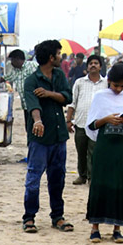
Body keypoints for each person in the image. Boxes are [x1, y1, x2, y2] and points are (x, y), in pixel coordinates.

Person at [21, 39, 72, 233]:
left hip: (59, 136)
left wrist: (49, 94)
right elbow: (33, 104)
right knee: (34, 178)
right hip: (40, 138)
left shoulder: (59, 75)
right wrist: (38, 121)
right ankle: (29, 217)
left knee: (58, 178)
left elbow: (67, 97)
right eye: (59, 54)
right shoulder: (31, 80)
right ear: (51, 57)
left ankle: (57, 217)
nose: (61, 57)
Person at [84, 62, 123, 244]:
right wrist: (107, 119)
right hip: (104, 147)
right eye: (115, 86)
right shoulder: (100, 96)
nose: (118, 89)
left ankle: (117, 228)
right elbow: (91, 125)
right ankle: (95, 227)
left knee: (119, 186)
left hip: (122, 148)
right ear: (109, 81)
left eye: (122, 86)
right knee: (100, 184)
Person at [66, 53, 105, 185]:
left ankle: (92, 177)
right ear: (87, 67)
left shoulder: (106, 84)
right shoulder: (79, 82)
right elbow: (73, 103)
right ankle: (82, 175)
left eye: (96, 63)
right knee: (81, 151)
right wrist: (68, 120)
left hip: (98, 124)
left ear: (100, 67)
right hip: (81, 123)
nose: (93, 65)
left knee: (94, 153)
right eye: (90, 63)